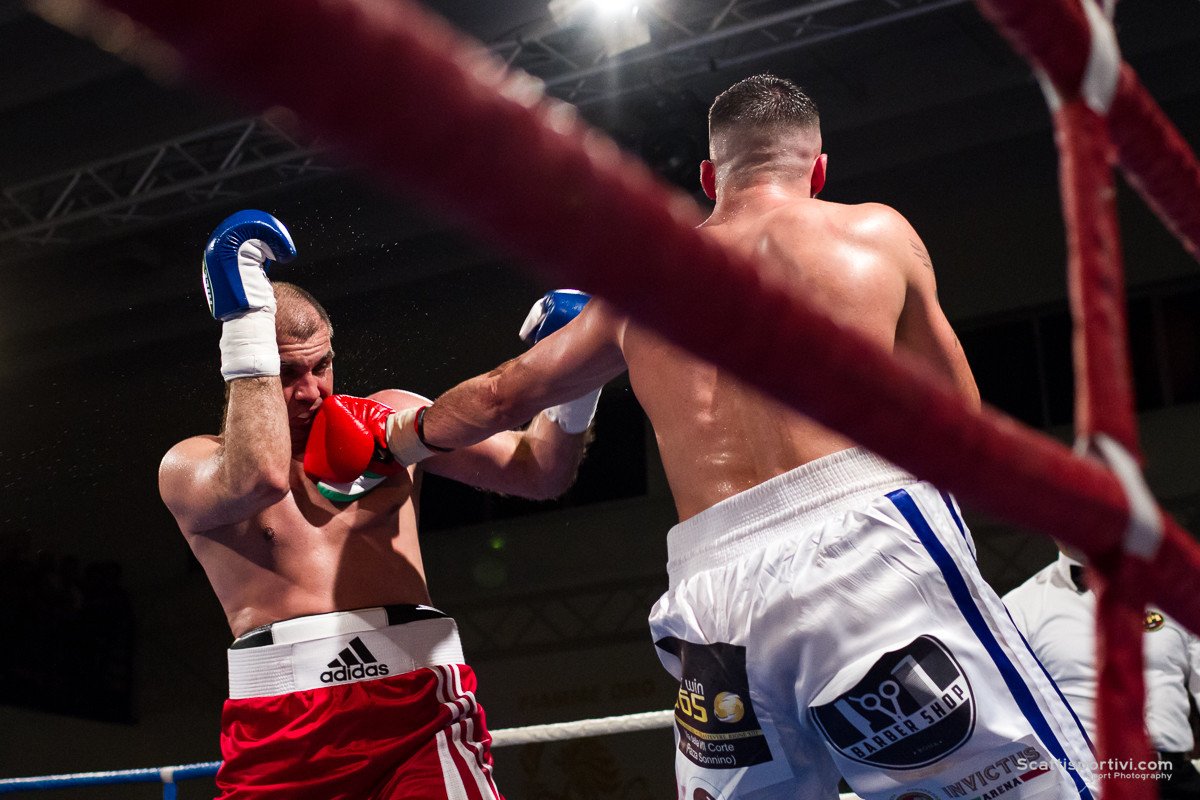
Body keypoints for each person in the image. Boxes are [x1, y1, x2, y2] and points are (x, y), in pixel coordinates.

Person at [347, 74, 1101, 799]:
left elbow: (503, 394)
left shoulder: (637, 292)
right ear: (820, 166)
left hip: (714, 602)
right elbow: (959, 425)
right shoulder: (874, 232)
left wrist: (395, 442)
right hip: (867, 545)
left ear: (710, 176)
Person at [158, 210, 595, 799]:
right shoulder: (191, 467)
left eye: (321, 365)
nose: (311, 390)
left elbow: (540, 473)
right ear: (244, 367)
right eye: (286, 372)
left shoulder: (392, 419)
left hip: (419, 707)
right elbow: (261, 478)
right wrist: (244, 319)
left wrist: (577, 384)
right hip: (281, 728)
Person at [1005, 547, 1200, 797]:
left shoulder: (1174, 590)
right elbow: (1010, 713)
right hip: (1089, 782)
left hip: (1174, 777)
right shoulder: (1018, 608)